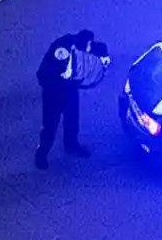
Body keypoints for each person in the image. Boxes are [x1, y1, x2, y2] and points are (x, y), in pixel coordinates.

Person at [35, 29, 109, 170]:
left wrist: (103, 56)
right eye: (88, 46)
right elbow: (48, 73)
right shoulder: (63, 49)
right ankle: (41, 155)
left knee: (72, 120)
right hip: (53, 91)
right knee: (50, 125)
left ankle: (71, 145)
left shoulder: (80, 45)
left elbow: (98, 49)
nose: (89, 49)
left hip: (69, 89)